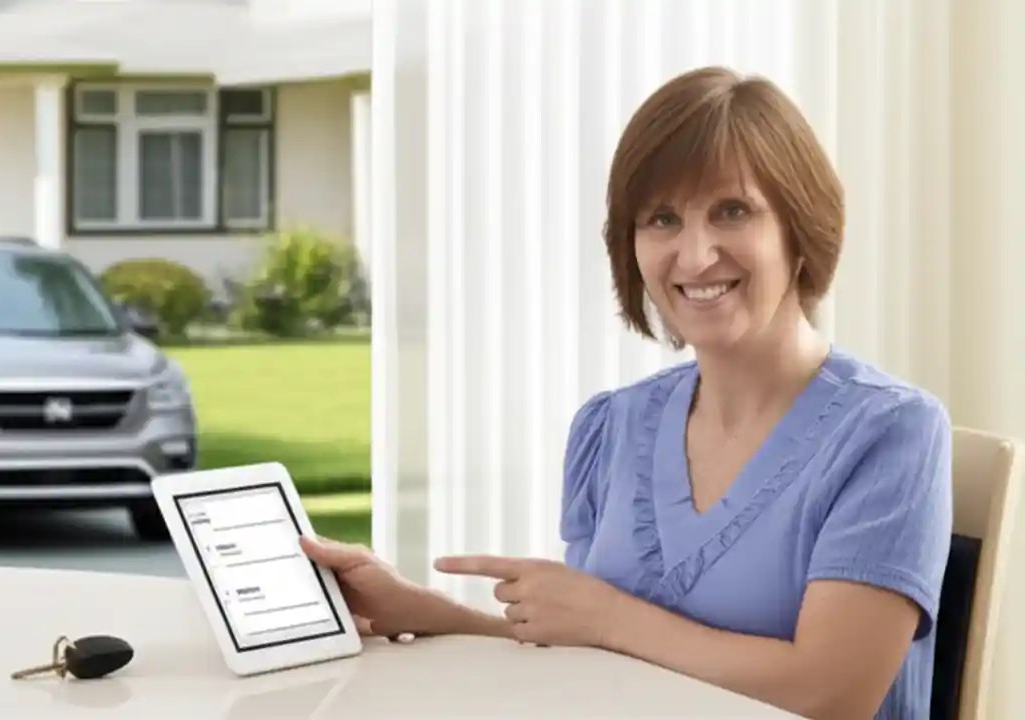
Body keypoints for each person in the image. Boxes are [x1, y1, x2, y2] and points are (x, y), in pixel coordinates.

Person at [299, 66, 953, 720]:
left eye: (733, 211)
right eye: (662, 219)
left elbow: (830, 694)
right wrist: (421, 610)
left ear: (799, 226)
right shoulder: (614, 426)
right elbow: (595, 647)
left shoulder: (891, 433)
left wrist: (610, 618)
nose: (695, 257)